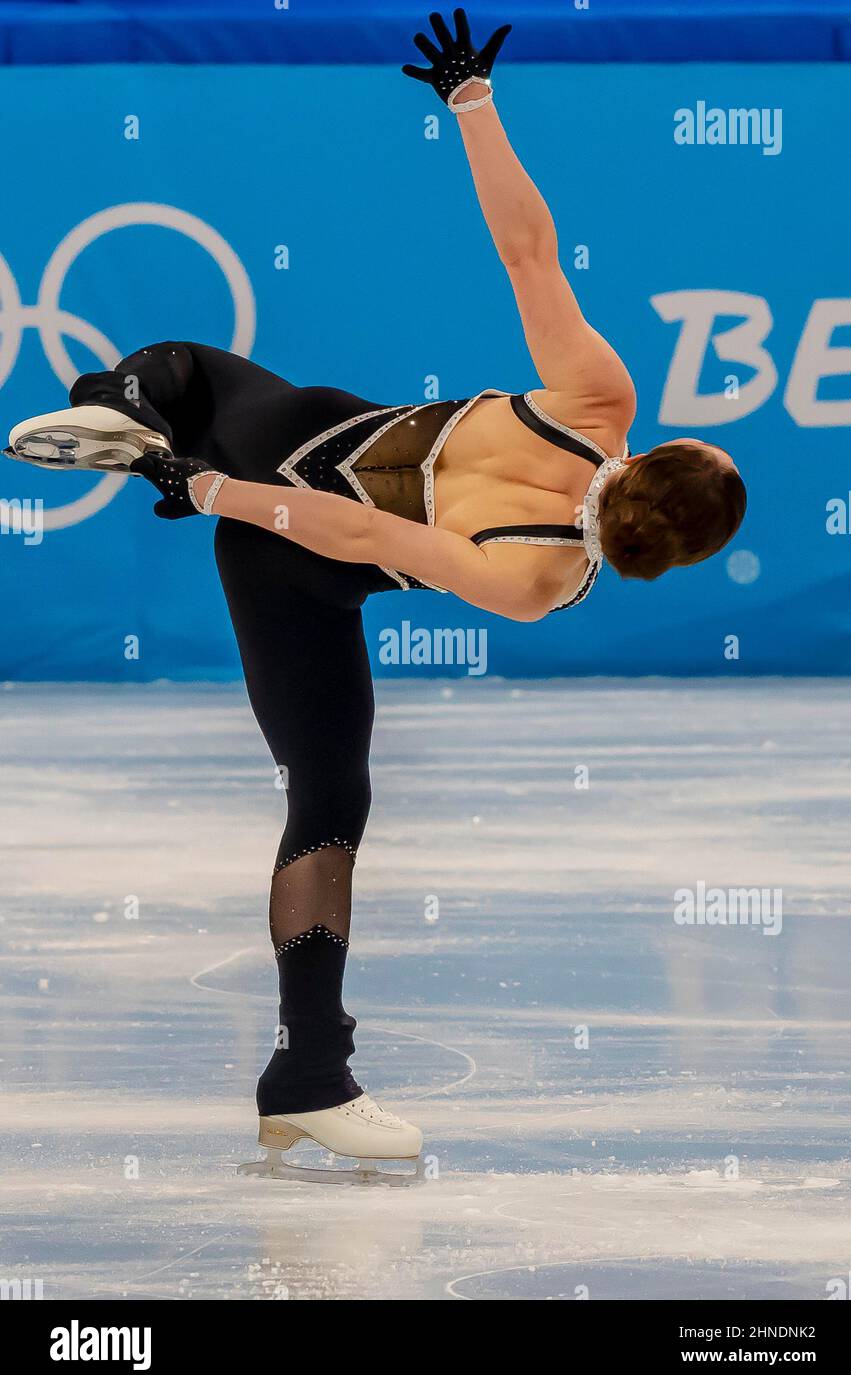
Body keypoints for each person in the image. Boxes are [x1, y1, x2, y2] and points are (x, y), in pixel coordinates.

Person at [6, 10, 746, 1181]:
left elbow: (528, 253)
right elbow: (356, 531)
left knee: (188, 365)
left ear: (663, 458)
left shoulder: (595, 400)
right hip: (291, 559)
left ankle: (126, 404)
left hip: (287, 434)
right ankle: (307, 1070)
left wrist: (471, 104)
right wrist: (211, 505)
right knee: (327, 798)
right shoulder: (544, 580)